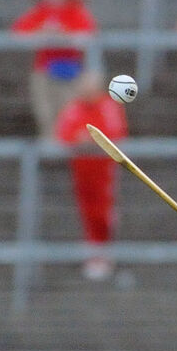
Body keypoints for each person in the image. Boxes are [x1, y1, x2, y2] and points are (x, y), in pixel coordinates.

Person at [54, 70, 128, 280]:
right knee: (87, 211)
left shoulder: (108, 106)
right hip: (81, 168)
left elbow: (115, 133)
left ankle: (104, 254)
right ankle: (93, 253)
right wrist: (78, 139)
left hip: (104, 169)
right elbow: (64, 133)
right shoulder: (74, 107)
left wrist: (90, 140)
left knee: (104, 211)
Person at [12, 0, 97, 139]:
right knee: (45, 112)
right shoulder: (40, 13)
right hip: (44, 71)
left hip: (71, 72)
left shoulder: (77, 13)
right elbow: (18, 35)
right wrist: (41, 35)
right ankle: (50, 149)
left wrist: (63, 35)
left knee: (68, 111)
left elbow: (87, 37)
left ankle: (67, 149)